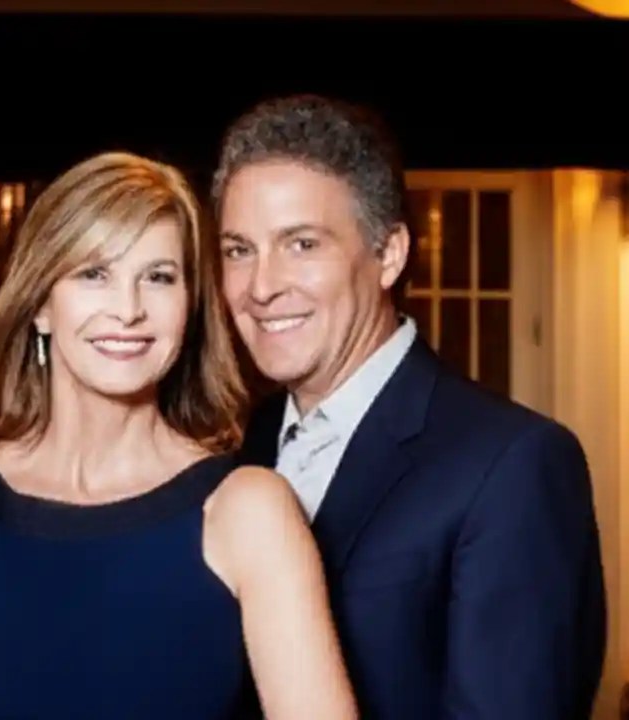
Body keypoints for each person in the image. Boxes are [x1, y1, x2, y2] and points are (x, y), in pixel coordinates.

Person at [0, 150, 357, 719]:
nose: (128, 310)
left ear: (189, 308)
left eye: (158, 277)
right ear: (40, 305)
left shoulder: (249, 512)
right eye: (94, 274)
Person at [213, 94, 607, 719]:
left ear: (389, 254)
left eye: (302, 244)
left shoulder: (513, 465)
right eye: (239, 250)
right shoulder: (240, 447)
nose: (261, 287)